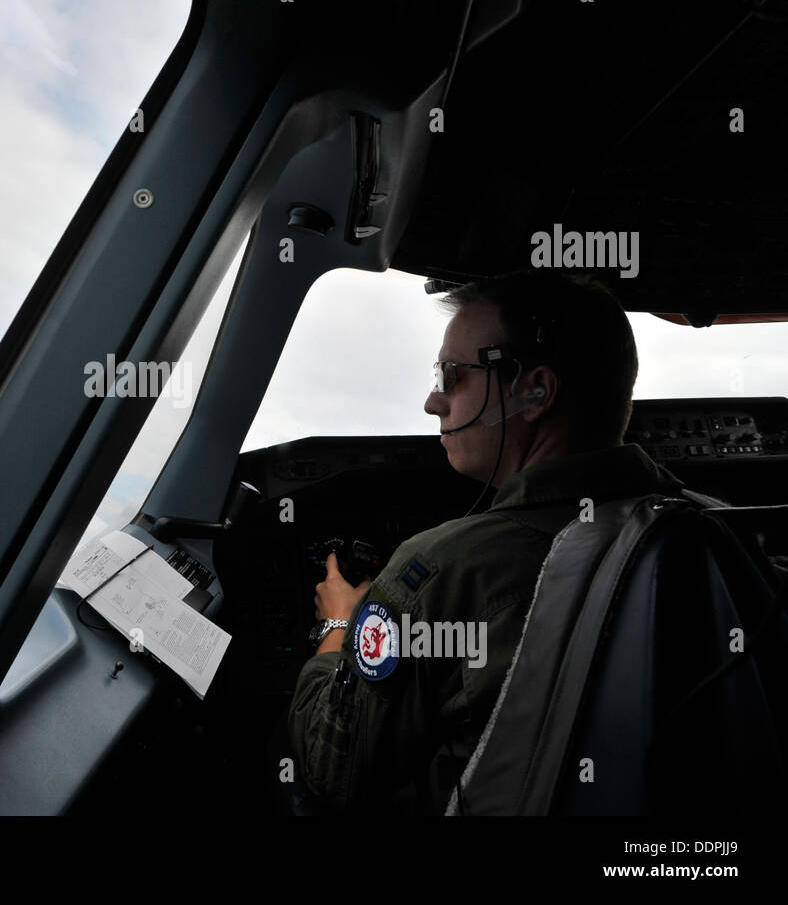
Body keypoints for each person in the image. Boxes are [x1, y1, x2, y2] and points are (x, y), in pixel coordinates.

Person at [288, 270, 692, 813]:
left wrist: (339, 625)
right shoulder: (710, 529)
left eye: (452, 376)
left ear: (535, 392)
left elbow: (332, 771)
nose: (434, 401)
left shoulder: (440, 570)